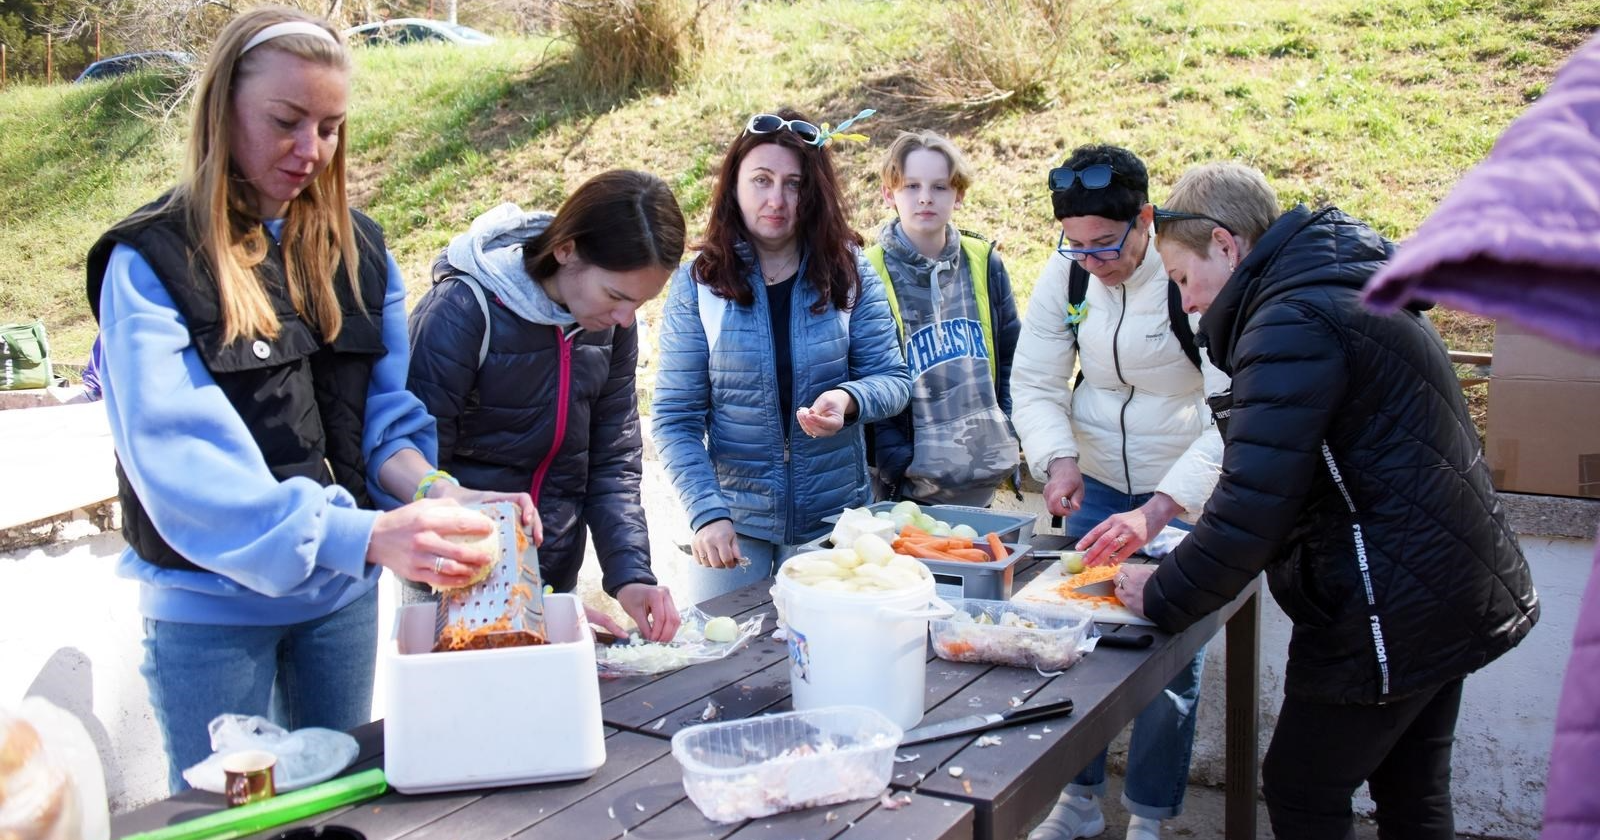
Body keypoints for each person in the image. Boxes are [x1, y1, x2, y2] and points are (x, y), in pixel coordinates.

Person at [84, 7, 536, 791]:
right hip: (209, 613)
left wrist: (439, 492)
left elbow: (384, 428)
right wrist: (365, 537)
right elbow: (184, 470)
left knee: (338, 805)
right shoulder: (151, 260)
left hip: (341, 605)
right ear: (223, 107)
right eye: (286, 121)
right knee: (232, 815)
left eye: (330, 127)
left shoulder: (361, 249)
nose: (310, 151)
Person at [1115, 162, 1540, 839]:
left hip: (1389, 601)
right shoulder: (1336, 284)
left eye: (1180, 277)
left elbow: (1253, 506)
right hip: (1445, 584)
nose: (1188, 302)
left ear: (1224, 244)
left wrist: (1163, 591)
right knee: (1411, 787)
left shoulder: (1293, 321)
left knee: (1302, 787)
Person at [1361, 35, 1600, 840]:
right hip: (1458, 589)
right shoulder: (1357, 315)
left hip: (1420, 594)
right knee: (1416, 785)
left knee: (1314, 778)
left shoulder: (1310, 325)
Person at [1011, 144, 1229, 840]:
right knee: (1072, 640)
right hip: (1099, 479)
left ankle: (1148, 816)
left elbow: (1235, 413)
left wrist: (1164, 504)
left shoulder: (1185, 273)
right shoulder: (1069, 272)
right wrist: (1059, 460)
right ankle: (1075, 802)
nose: (1092, 262)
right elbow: (1036, 382)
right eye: (1075, 247)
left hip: (1183, 491)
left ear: (1145, 219)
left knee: (1167, 655)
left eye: (1106, 245)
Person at [406, 170, 685, 641]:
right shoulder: (462, 311)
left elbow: (613, 460)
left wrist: (631, 574)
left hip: (555, 568)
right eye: (616, 295)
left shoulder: (613, 326)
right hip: (457, 578)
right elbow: (415, 466)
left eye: (638, 303)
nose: (624, 317)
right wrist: (519, 592)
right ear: (566, 250)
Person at [651, 107, 911, 605]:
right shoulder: (700, 284)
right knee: (724, 665)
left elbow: (893, 380)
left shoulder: (848, 271)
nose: (777, 199)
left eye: (793, 184)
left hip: (832, 524)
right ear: (734, 186)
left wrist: (848, 399)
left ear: (813, 193)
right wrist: (707, 511)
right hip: (732, 524)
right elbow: (675, 418)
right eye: (762, 180)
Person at [864, 130, 1021, 506]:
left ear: (959, 195)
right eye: (911, 186)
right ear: (889, 193)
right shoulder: (867, 272)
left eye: (939, 187)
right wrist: (897, 463)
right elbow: (864, 376)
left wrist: (1009, 432)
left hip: (983, 477)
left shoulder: (984, 262)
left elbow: (1014, 358)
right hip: (905, 489)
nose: (924, 198)